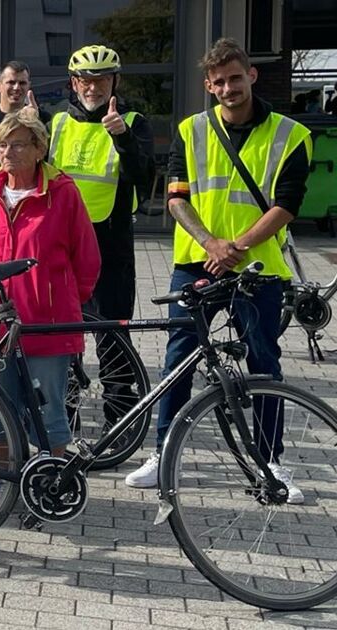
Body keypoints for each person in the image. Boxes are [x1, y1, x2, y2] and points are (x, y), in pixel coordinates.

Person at [125, 39, 312, 502]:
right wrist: (211, 243)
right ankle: (165, 451)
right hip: (197, 263)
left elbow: (287, 205)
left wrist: (238, 246)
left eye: (235, 77)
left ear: (251, 75)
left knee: (264, 364)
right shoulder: (191, 131)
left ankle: (271, 461)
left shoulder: (292, 134)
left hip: (258, 270)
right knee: (177, 361)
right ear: (208, 86)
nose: (228, 87)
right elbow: (175, 197)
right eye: (219, 81)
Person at [0, 110, 101, 510]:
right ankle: (7, 482)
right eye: (2, 145)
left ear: (40, 148)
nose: (8, 152)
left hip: (46, 323)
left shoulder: (63, 192)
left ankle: (52, 483)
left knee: (48, 410)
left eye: (18, 144)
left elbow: (87, 259)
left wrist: (62, 303)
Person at [49, 44, 154, 435]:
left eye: (101, 79)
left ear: (115, 81)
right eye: (85, 80)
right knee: (62, 331)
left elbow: (145, 178)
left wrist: (123, 138)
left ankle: (120, 418)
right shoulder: (57, 121)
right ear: (74, 83)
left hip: (110, 244)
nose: (92, 87)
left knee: (112, 332)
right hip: (63, 245)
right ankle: (64, 418)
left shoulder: (132, 121)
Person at [0, 60, 52, 186]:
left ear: (29, 86)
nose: (17, 88)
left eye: (22, 83)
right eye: (11, 82)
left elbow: (45, 158)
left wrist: (33, 123)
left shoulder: (42, 118)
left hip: (25, 197)